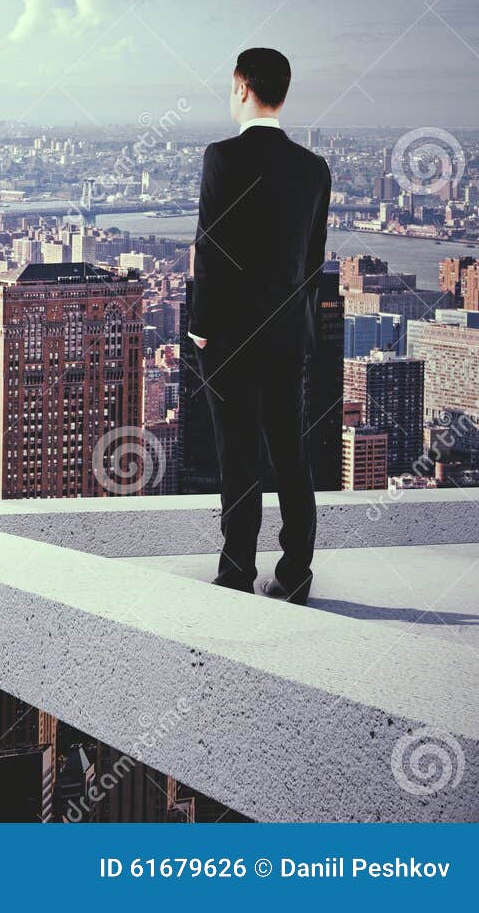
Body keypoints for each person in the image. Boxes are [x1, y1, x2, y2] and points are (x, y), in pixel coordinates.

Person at [187, 47, 331, 604]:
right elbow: (312, 263)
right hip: (288, 336)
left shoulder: (221, 157)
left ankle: (235, 573)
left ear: (242, 87)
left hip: (229, 337)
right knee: (291, 453)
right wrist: (303, 329)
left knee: (238, 454)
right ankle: (296, 573)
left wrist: (201, 324)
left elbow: (211, 245)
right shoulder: (313, 169)